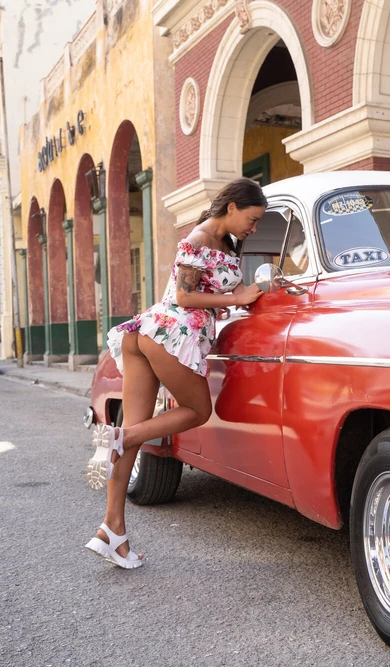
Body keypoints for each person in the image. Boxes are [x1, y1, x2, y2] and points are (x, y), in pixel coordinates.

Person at [85, 178, 267, 569]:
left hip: (150, 333)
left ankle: (111, 531)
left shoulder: (227, 242)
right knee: (197, 410)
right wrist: (236, 297)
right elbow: (184, 297)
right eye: (251, 219)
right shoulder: (200, 237)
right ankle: (121, 435)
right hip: (171, 331)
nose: (253, 228)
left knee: (132, 441)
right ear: (232, 207)